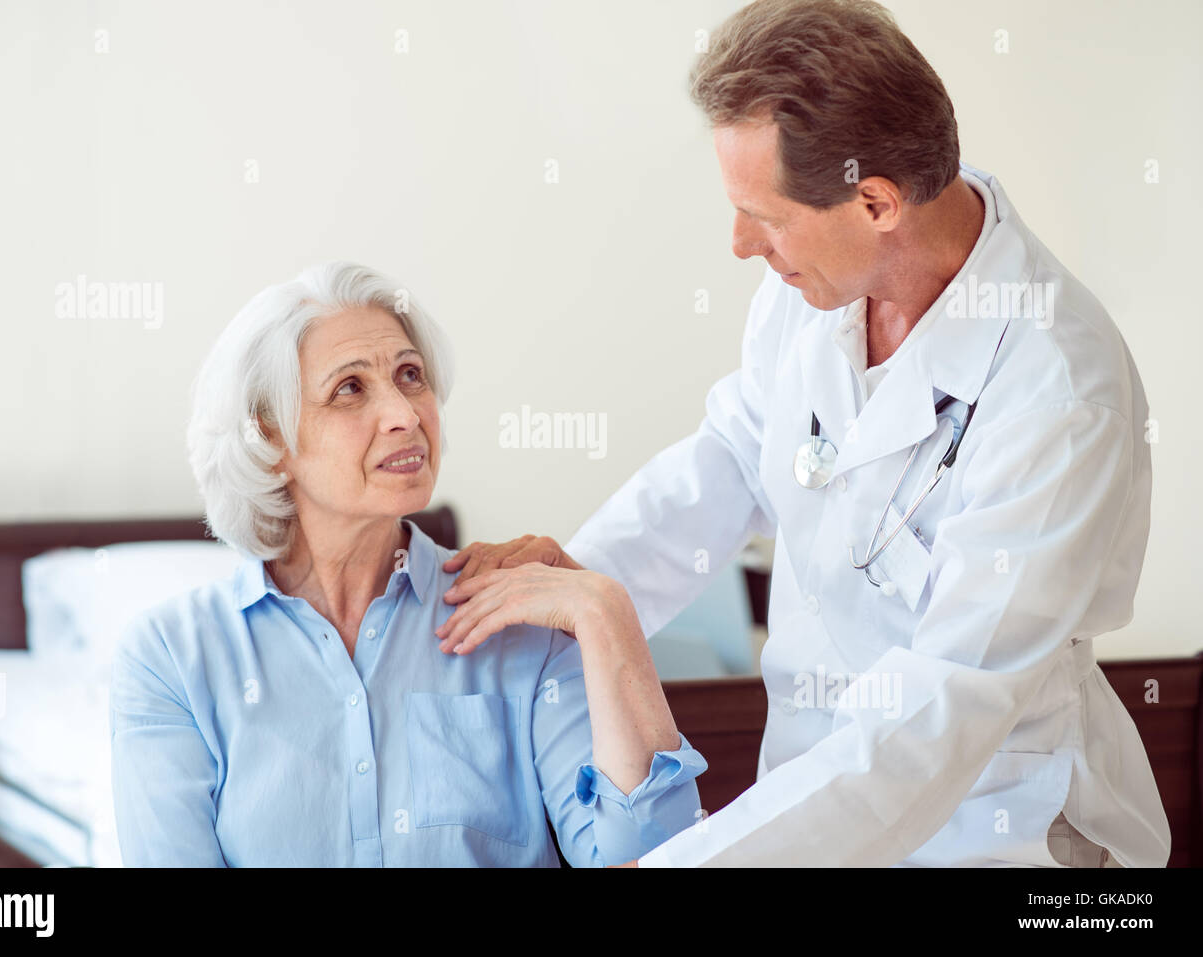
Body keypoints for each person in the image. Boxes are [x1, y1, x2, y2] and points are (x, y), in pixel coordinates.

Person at [437, 0, 1169, 867]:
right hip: (808, 807)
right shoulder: (813, 288)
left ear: (877, 201)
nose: (742, 244)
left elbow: (935, 717)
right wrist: (571, 587)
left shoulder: (1057, 390)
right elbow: (731, 461)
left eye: (768, 216)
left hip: (997, 827)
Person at [109, 261, 706, 866]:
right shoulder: (171, 660)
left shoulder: (520, 626)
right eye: (350, 388)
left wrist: (606, 612)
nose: (404, 413)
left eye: (410, 376)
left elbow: (651, 861)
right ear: (269, 444)